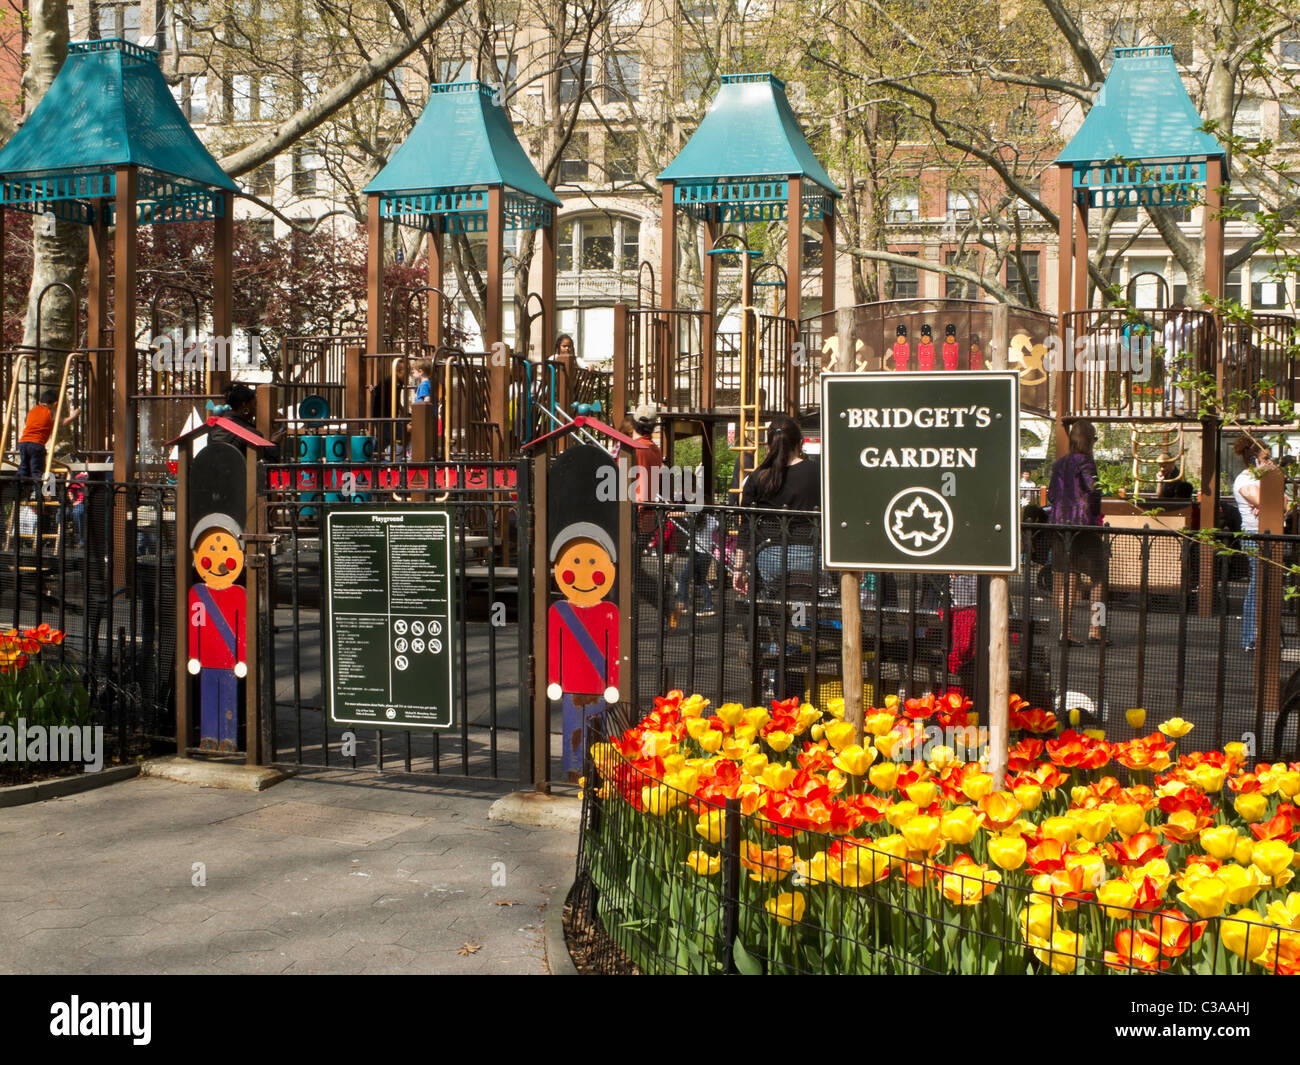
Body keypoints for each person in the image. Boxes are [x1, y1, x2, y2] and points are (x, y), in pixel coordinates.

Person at [733, 416, 819, 596]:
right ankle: (800, 619)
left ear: (769, 445)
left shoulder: (758, 477)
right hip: (813, 556)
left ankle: (783, 621)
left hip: (770, 556)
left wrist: (739, 568)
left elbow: (746, 528)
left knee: (774, 603)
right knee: (804, 605)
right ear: (800, 443)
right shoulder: (818, 472)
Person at [1047, 419, 1107, 644]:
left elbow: (1052, 495)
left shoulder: (1059, 464)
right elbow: (1094, 489)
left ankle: (1065, 631)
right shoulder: (1086, 462)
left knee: (1069, 579)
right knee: (1099, 579)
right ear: (1089, 440)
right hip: (1084, 527)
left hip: (1060, 528)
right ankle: (1096, 630)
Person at [1233, 436, 1270, 653]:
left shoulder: (1263, 480)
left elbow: (1282, 503)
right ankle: (1249, 637)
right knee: (1257, 588)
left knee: (1265, 587)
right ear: (1255, 460)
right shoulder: (1244, 480)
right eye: (1265, 458)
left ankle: (1258, 635)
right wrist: (1267, 500)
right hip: (1255, 537)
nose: (1269, 463)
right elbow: (1266, 501)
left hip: (1267, 535)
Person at [18, 388, 79, 489]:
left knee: (24, 467)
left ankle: (21, 489)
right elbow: (63, 422)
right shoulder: (50, 412)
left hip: (23, 443)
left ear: (39, 402)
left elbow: (27, 421)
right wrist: (74, 415)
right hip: (36, 444)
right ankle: (38, 493)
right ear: (55, 404)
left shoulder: (32, 411)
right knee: (36, 470)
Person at [209, 382, 282, 460]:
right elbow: (270, 457)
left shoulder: (214, 427)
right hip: (239, 472)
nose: (255, 409)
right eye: (254, 404)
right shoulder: (251, 433)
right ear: (245, 405)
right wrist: (275, 442)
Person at [672, 511, 719, 623]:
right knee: (700, 580)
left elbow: (684, 515)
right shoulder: (711, 519)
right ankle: (709, 606)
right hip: (707, 553)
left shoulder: (694, 518)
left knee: (683, 577)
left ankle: (682, 603)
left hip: (697, 553)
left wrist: (671, 513)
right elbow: (717, 525)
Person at [370, 357, 410, 456]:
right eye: (406, 371)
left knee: (386, 437)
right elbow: (377, 391)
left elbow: (396, 398)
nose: (408, 375)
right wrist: (373, 391)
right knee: (392, 434)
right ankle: (373, 454)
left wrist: (402, 410)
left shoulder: (399, 382)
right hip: (382, 414)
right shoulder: (389, 380)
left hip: (390, 414)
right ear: (399, 371)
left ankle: (374, 455)